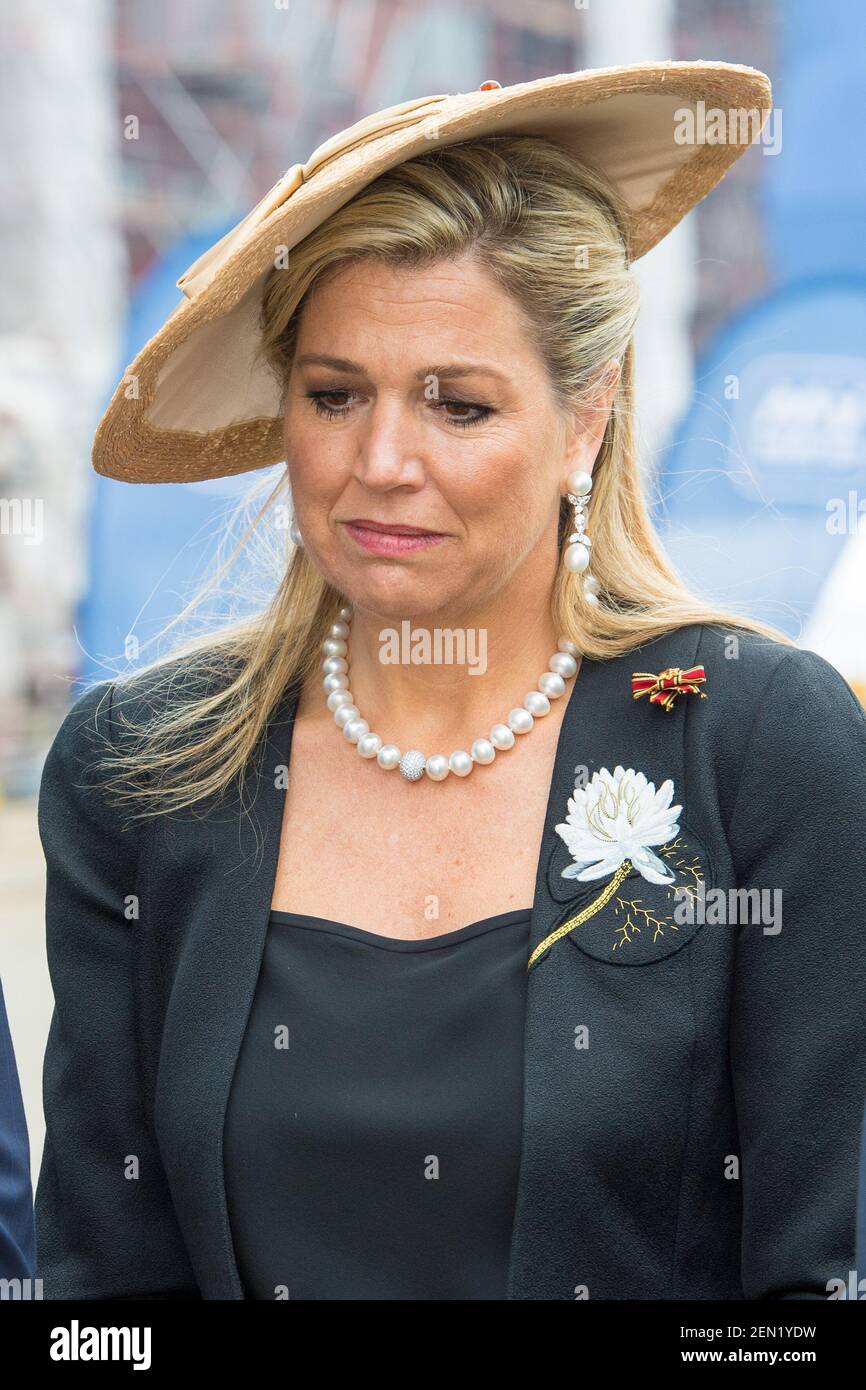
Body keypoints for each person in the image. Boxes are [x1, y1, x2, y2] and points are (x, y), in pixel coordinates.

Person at [34, 64, 866, 1300]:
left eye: (456, 406)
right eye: (332, 395)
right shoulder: (142, 767)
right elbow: (101, 1301)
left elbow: (815, 1283)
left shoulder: (754, 740)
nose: (380, 461)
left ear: (583, 420)